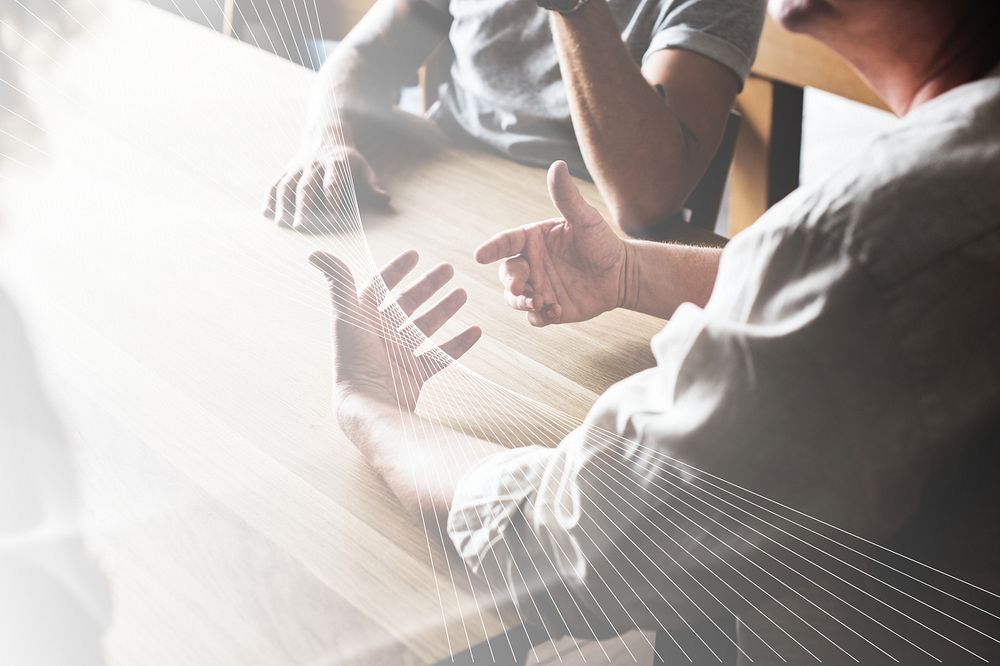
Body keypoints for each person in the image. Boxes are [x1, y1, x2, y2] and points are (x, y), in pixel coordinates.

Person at [309, 0, 1000, 660]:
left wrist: (370, 406)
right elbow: (838, 283)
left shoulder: (863, 247)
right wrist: (634, 275)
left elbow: (582, 540)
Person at [265, 0, 766, 235]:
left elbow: (645, 198)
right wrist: (328, 136)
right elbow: (372, 53)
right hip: (436, 198)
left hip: (589, 239)